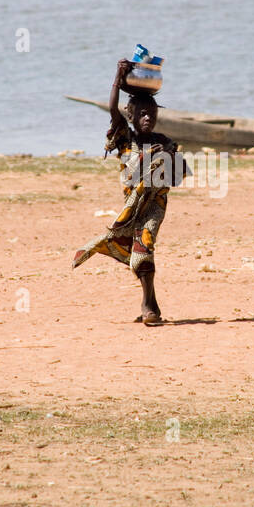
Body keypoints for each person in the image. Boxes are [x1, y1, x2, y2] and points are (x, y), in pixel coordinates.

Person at [72, 58, 187, 325]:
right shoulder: (126, 137)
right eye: (142, 114)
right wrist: (118, 75)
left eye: (152, 113)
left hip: (154, 206)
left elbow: (179, 176)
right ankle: (151, 304)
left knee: (145, 245)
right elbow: (112, 109)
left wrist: (169, 155)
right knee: (140, 251)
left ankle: (150, 310)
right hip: (131, 205)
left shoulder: (164, 142)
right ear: (131, 115)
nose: (148, 118)